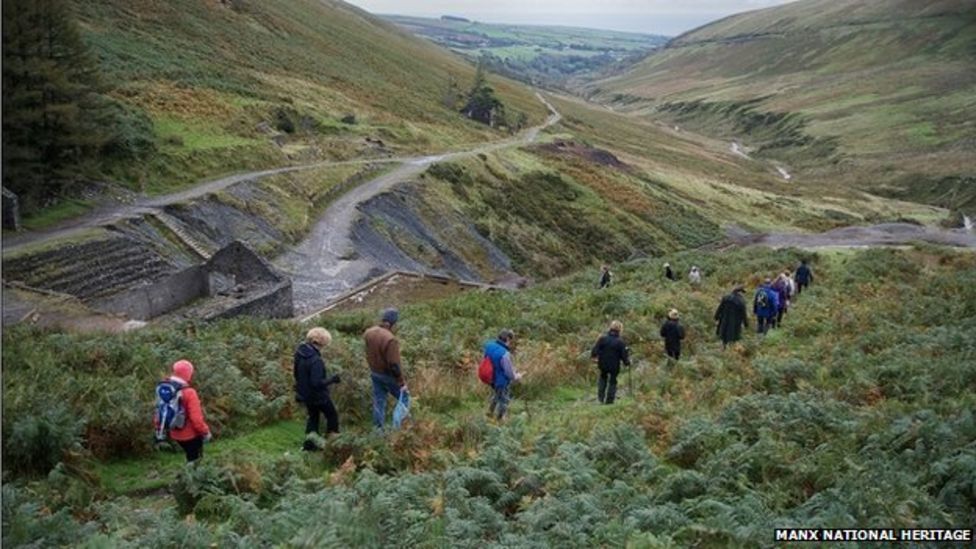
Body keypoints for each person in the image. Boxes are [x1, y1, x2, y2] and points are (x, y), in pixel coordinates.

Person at [294, 327, 340, 451]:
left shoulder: (300, 352)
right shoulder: (316, 360)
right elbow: (316, 383)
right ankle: (333, 443)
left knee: (313, 417)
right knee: (332, 415)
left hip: (304, 393)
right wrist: (332, 379)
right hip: (317, 396)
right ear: (322, 342)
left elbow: (296, 373)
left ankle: (309, 445)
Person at [364, 308, 407, 430]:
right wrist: (401, 382)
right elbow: (394, 364)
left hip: (374, 373)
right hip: (388, 375)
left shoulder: (369, 333)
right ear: (392, 323)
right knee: (404, 399)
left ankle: (378, 431)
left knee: (379, 402)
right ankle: (399, 429)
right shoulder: (390, 339)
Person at [161, 359, 211, 462]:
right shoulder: (189, 392)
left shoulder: (164, 388)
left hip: (174, 432)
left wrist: (159, 429)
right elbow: (196, 419)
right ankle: (192, 476)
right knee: (196, 459)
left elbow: (159, 410)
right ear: (188, 375)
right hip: (190, 434)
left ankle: (189, 471)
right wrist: (205, 432)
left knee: (190, 455)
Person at [484, 329, 521, 420]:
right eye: (510, 340)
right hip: (501, 381)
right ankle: (499, 420)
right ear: (507, 339)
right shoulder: (504, 354)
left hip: (491, 378)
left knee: (496, 395)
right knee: (504, 400)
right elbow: (509, 372)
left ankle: (490, 413)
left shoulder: (489, 346)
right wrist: (517, 376)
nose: (511, 343)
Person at [590, 320, 631, 404]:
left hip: (603, 363)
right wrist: (627, 363)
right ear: (620, 330)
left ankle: (600, 398)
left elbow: (595, 350)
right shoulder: (620, 342)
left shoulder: (602, 339)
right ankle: (610, 400)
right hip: (614, 365)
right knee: (613, 381)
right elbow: (624, 355)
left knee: (603, 378)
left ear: (610, 328)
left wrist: (594, 357)